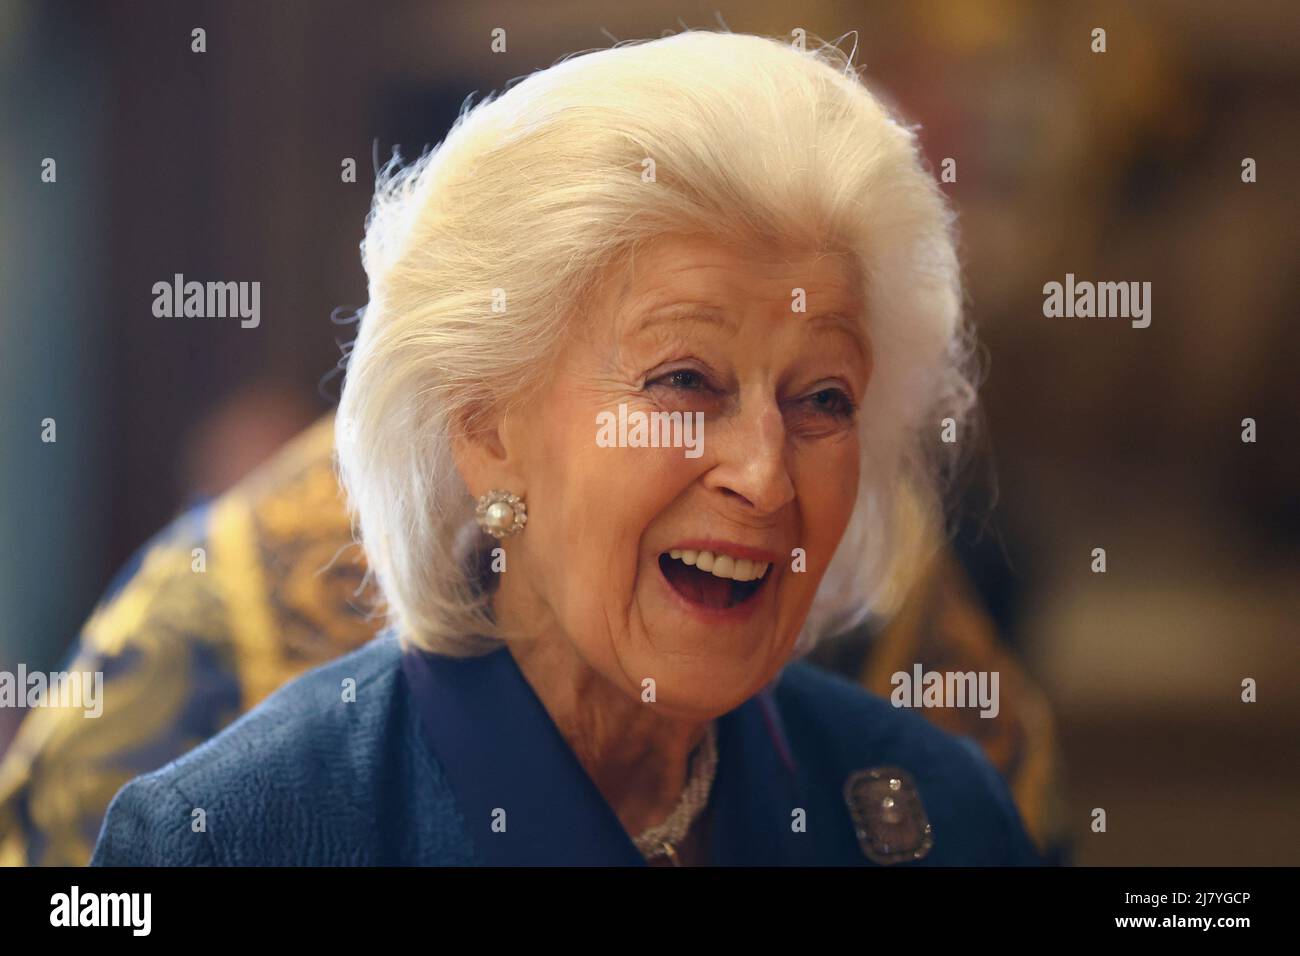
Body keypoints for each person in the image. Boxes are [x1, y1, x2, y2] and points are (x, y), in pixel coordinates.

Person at [89, 31, 1044, 866]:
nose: (764, 475)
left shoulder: (942, 817)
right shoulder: (229, 840)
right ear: (485, 429)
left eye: (823, 398)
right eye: (684, 382)